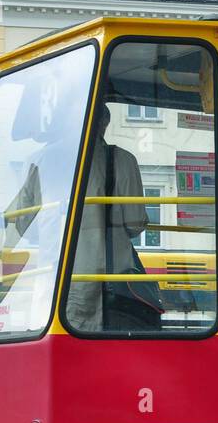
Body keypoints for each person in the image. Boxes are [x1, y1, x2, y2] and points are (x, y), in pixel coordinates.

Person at [64, 104, 162, 332]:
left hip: (69, 276)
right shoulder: (123, 160)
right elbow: (135, 224)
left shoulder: (53, 160)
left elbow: (19, 220)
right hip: (116, 277)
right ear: (104, 124)